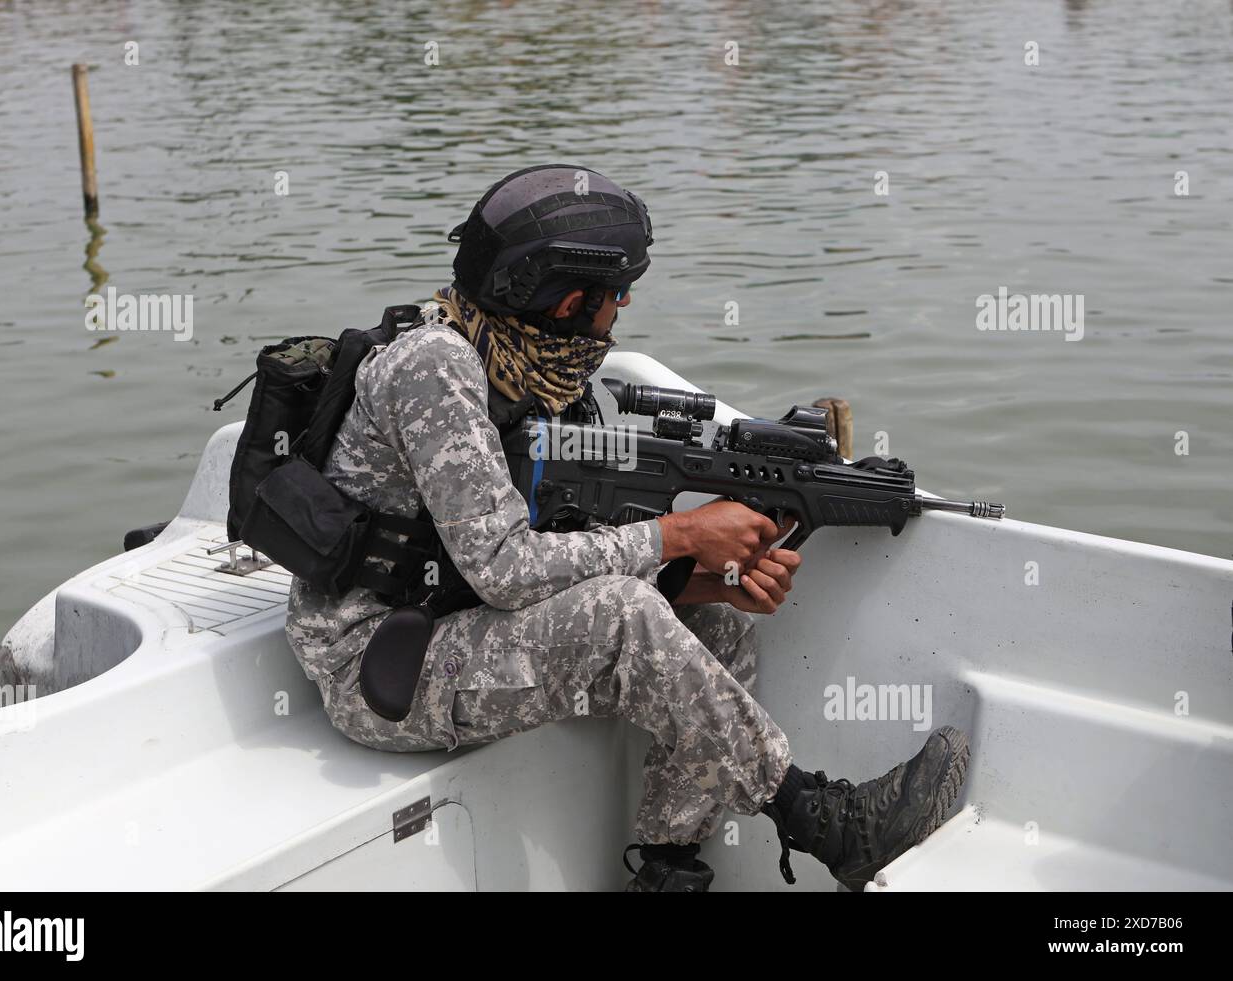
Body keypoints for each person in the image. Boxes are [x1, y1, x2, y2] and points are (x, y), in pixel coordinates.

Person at [285, 165, 969, 891]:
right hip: (379, 663)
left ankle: (668, 867)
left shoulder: (530, 367)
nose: (627, 305)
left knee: (718, 622)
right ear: (571, 301)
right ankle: (823, 820)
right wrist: (680, 536)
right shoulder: (439, 368)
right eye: (618, 293)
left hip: (453, 618)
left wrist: (693, 576)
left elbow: (561, 535)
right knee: (626, 614)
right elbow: (503, 565)